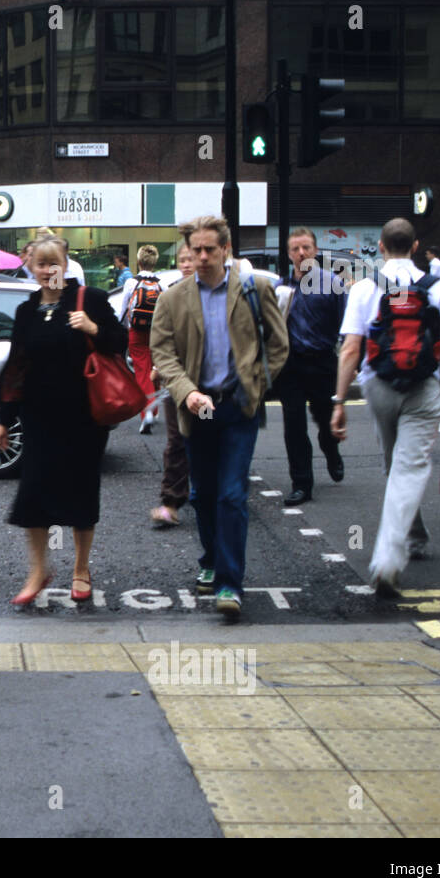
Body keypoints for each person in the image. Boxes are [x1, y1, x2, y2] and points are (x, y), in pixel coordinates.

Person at [150, 216, 289, 620]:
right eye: (197, 250)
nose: (204, 256)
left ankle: (230, 583)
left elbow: (279, 344)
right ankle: (210, 557)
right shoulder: (172, 298)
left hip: (236, 406)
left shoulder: (254, 288)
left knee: (231, 494)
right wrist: (186, 391)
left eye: (212, 249)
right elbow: (163, 354)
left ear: (226, 250)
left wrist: (257, 385)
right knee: (202, 494)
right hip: (196, 409)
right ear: (189, 252)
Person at [331, 218, 440, 598]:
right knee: (407, 468)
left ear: (381, 245)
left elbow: (351, 350)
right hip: (423, 387)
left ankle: (414, 536)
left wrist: (339, 403)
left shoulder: (365, 287)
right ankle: (389, 560)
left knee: (396, 464)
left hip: (378, 385)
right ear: (416, 245)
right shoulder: (437, 287)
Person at [0, 237, 127, 605]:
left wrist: (94, 330)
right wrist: (6, 419)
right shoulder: (26, 310)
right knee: (33, 493)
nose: (48, 270)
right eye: (41, 264)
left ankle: (81, 569)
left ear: (65, 265)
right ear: (31, 267)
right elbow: (16, 366)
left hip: (84, 416)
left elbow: (121, 341)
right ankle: (39, 570)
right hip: (39, 416)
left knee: (81, 490)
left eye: (54, 263)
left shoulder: (91, 300)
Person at [277, 227, 346, 506]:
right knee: (294, 425)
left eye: (306, 247)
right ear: (289, 253)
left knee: (325, 420)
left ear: (315, 251)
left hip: (322, 362)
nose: (301, 253)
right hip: (290, 364)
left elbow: (346, 327)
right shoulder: (280, 287)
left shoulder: (333, 284)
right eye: (295, 249)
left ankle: (331, 451)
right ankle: (302, 484)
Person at [150, 242, 196, 527]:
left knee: (210, 440)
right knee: (176, 440)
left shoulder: (221, 295)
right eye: (183, 259)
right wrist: (158, 366)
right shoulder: (170, 297)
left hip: (211, 384)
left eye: (191, 258)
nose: (188, 263)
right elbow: (161, 338)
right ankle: (171, 502)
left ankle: (220, 494)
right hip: (176, 381)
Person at [122, 245, 164, 434]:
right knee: (154, 370)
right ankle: (154, 412)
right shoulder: (161, 285)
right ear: (154, 263)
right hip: (156, 333)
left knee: (141, 372)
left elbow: (123, 309)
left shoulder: (132, 283)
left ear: (138, 262)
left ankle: (147, 411)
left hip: (136, 332)